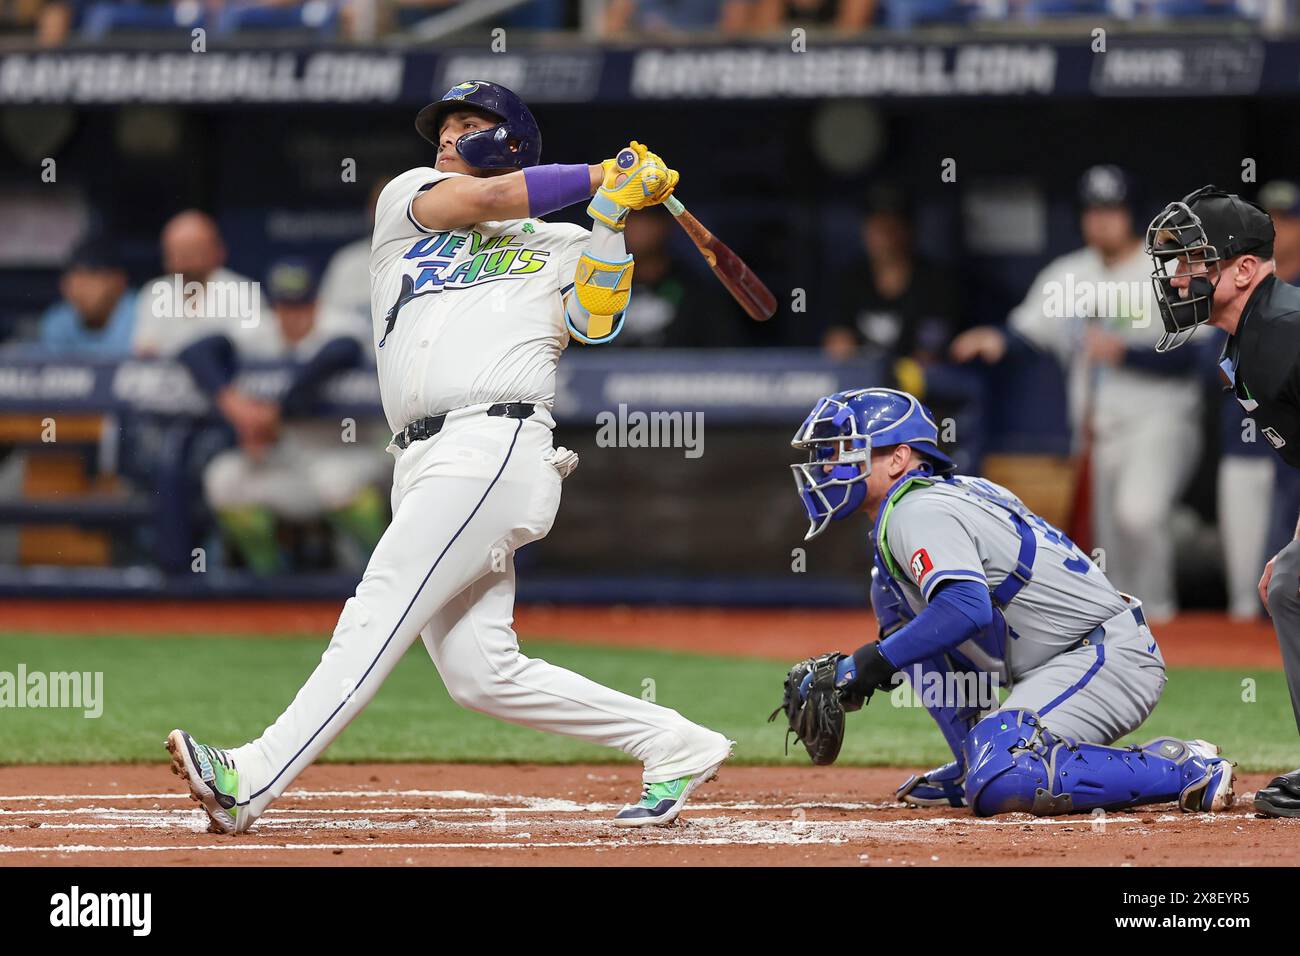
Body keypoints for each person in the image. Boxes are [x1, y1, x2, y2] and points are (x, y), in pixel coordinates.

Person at [166, 80, 732, 833]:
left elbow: (597, 322)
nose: (447, 137)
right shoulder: (408, 206)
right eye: (444, 127)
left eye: (469, 125)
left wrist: (610, 216)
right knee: (481, 675)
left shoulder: (561, 243)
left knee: (379, 606)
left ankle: (252, 776)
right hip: (421, 458)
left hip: (495, 443)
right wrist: (606, 172)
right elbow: (488, 202)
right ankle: (675, 741)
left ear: (513, 140)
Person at [774, 387, 1235, 816]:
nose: (827, 467)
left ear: (898, 459)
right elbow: (941, 628)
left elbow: (966, 607)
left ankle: (1183, 766)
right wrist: (883, 659)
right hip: (1060, 659)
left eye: (842, 451)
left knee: (1003, 775)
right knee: (894, 602)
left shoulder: (919, 510)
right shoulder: (934, 501)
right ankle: (972, 754)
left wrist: (865, 665)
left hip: (1104, 656)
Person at [950, 165, 1202, 622]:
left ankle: (1165, 620)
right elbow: (1027, 332)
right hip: (1095, 432)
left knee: (1139, 515)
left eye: (1112, 209)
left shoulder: (1164, 269)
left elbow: (1198, 357)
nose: (1100, 220)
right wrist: (997, 340)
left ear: (1134, 215)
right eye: (1092, 210)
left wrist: (1127, 353)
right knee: (1107, 546)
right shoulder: (1068, 274)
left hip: (1160, 420)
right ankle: (1135, 629)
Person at [1145, 184, 1300, 818]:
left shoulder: (1285, 329)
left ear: (1242, 269)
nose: (1179, 277)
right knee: (1289, 582)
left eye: (1192, 260)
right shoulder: (1248, 337)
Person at [201, 258, 390, 574]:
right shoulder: (260, 328)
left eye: (301, 305)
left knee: (336, 482)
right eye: (285, 306)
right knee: (224, 479)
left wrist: (276, 411)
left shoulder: (340, 324)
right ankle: (270, 581)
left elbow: (338, 353)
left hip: (356, 453)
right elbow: (197, 350)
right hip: (293, 462)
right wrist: (232, 403)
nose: (292, 315)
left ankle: (384, 569)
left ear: (316, 302)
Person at [134, 210, 280, 451]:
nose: (185, 261)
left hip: (222, 415)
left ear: (217, 251)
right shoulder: (154, 292)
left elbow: (244, 353)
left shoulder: (242, 292)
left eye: (194, 251)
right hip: (166, 410)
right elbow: (146, 351)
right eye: (177, 253)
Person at [823, 186, 960, 367]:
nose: (884, 238)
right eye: (877, 227)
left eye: (892, 227)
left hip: (916, 388)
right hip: (860, 384)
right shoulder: (849, 279)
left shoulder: (936, 283)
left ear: (910, 231)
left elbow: (929, 355)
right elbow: (836, 344)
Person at [36, 235, 137, 356]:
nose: (80, 287)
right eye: (75, 277)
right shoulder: (58, 320)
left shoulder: (141, 313)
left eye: (91, 275)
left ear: (118, 281)